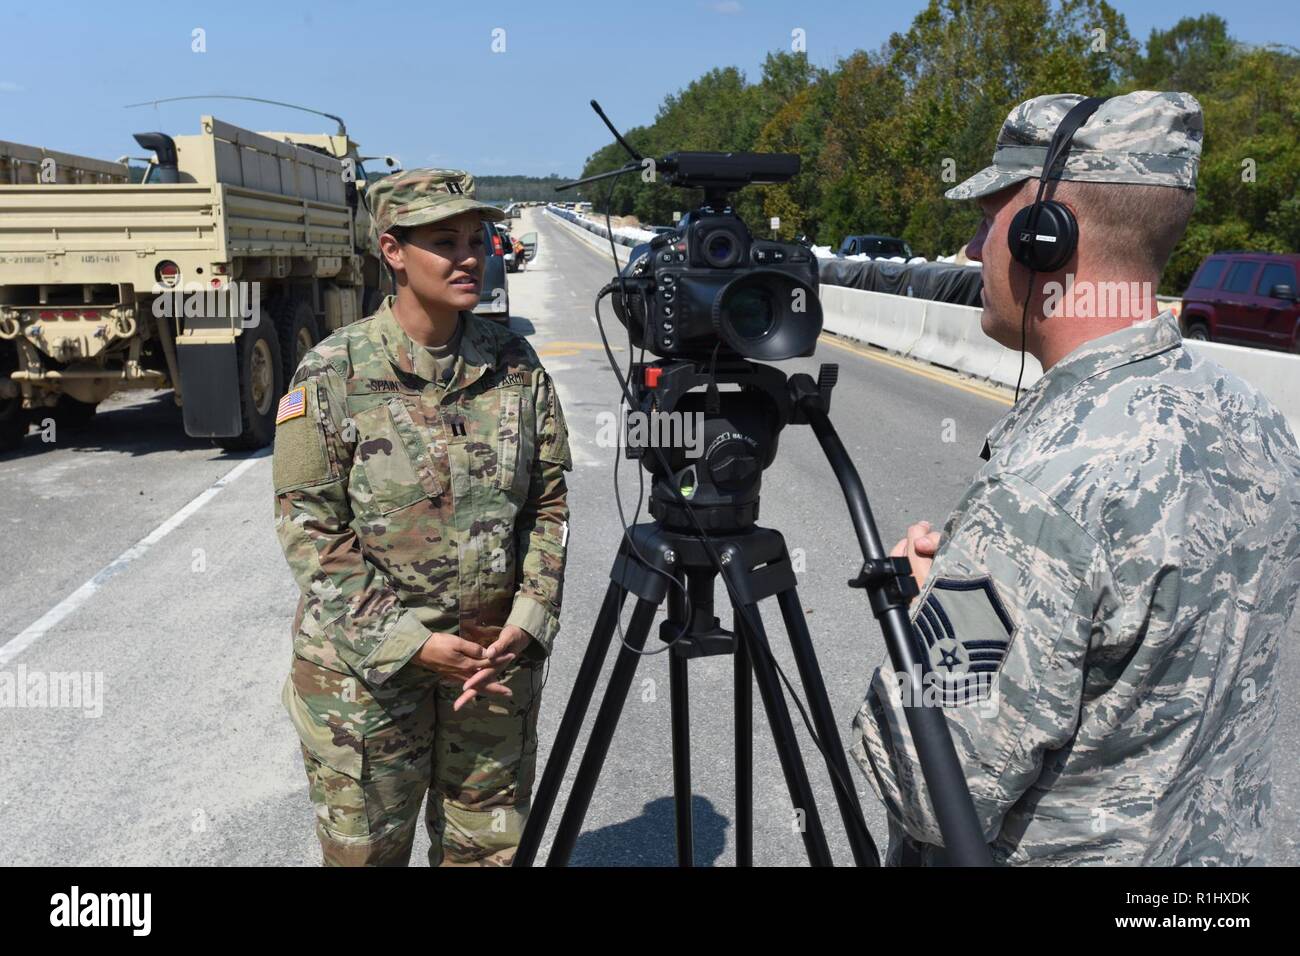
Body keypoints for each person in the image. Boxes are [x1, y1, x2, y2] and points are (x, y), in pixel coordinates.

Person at [851, 91, 1300, 865]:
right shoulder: (1255, 420)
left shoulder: (1049, 491)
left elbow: (932, 785)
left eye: (989, 219)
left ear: (1043, 235)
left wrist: (925, 621)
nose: (970, 249)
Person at [272, 168, 573, 866]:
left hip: (489, 670)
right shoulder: (331, 374)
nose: (472, 256)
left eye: (478, 238)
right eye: (446, 241)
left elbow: (549, 500)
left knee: (487, 855)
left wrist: (528, 618)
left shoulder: (514, 366)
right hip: (366, 686)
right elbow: (310, 529)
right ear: (393, 250)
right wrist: (408, 642)